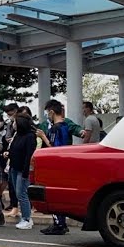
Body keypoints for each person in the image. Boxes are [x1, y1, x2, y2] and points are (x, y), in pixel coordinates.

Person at [39, 101, 82, 236]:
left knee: (53, 194)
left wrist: (43, 137)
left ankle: (59, 224)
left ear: (52, 112)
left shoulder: (56, 128)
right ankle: (60, 223)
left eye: (47, 113)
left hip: (56, 165)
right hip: (65, 163)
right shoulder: (65, 126)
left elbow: (53, 149)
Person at [8, 114, 39, 230]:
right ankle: (24, 217)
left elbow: (29, 156)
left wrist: (26, 172)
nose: (13, 124)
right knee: (18, 193)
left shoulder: (30, 137)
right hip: (14, 167)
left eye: (15, 122)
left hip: (22, 169)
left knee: (22, 194)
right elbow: (12, 149)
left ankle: (26, 218)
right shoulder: (17, 135)